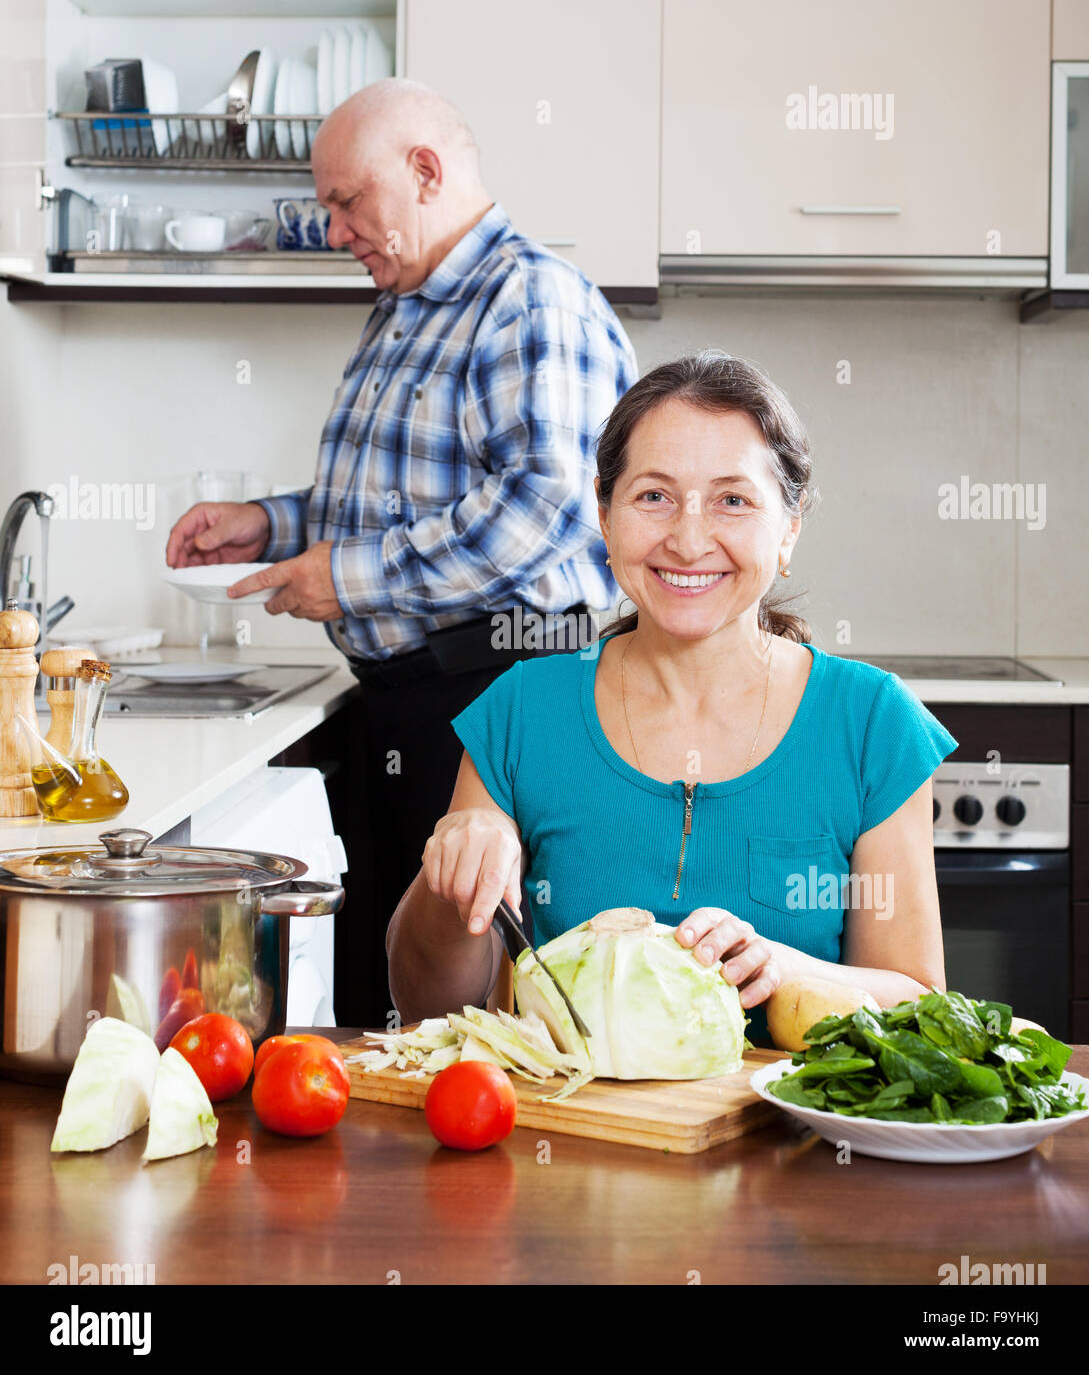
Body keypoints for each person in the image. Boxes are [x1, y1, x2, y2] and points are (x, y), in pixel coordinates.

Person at [164, 80, 637, 1029]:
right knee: (399, 992)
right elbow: (397, 501)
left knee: (479, 999)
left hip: (499, 688)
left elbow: (537, 510)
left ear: (425, 171)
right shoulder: (407, 307)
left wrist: (340, 575)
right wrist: (274, 524)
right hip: (412, 699)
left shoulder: (531, 301)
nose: (336, 232)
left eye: (346, 202)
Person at [387, 351, 957, 1043]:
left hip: (794, 1144)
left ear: (789, 527)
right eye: (653, 496)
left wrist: (785, 968)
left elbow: (917, 1001)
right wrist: (450, 877)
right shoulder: (520, 712)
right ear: (604, 514)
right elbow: (427, 1007)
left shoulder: (871, 723)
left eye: (733, 501)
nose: (688, 540)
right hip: (571, 1134)